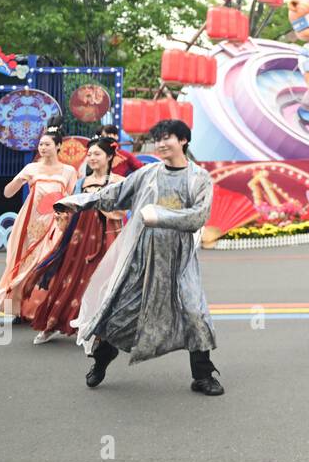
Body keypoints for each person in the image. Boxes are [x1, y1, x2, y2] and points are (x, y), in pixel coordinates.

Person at [55, 119, 223, 395]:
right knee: (122, 313)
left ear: (182, 140)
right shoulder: (149, 174)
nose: (161, 144)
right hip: (142, 256)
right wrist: (79, 202)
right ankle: (102, 358)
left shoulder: (199, 177)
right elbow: (115, 194)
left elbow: (198, 216)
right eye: (157, 139)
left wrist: (159, 215)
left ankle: (203, 374)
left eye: (167, 137)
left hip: (179, 259)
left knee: (194, 311)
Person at [25, 137, 126, 343]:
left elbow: (123, 209)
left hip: (107, 236)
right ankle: (52, 323)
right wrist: (63, 213)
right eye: (89, 155)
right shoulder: (82, 181)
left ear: (108, 156)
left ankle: (99, 329)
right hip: (79, 236)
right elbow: (72, 208)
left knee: (103, 281)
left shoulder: (118, 182)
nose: (92, 158)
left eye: (97, 154)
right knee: (67, 278)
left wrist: (99, 204)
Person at [0, 127, 78, 316]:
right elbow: (7, 193)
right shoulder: (31, 168)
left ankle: (44, 308)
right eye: (41, 144)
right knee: (25, 262)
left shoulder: (69, 171)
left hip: (56, 222)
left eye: (47, 144)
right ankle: (18, 309)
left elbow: (71, 198)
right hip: (31, 222)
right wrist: (20, 179)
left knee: (49, 261)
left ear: (59, 146)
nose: (43, 148)